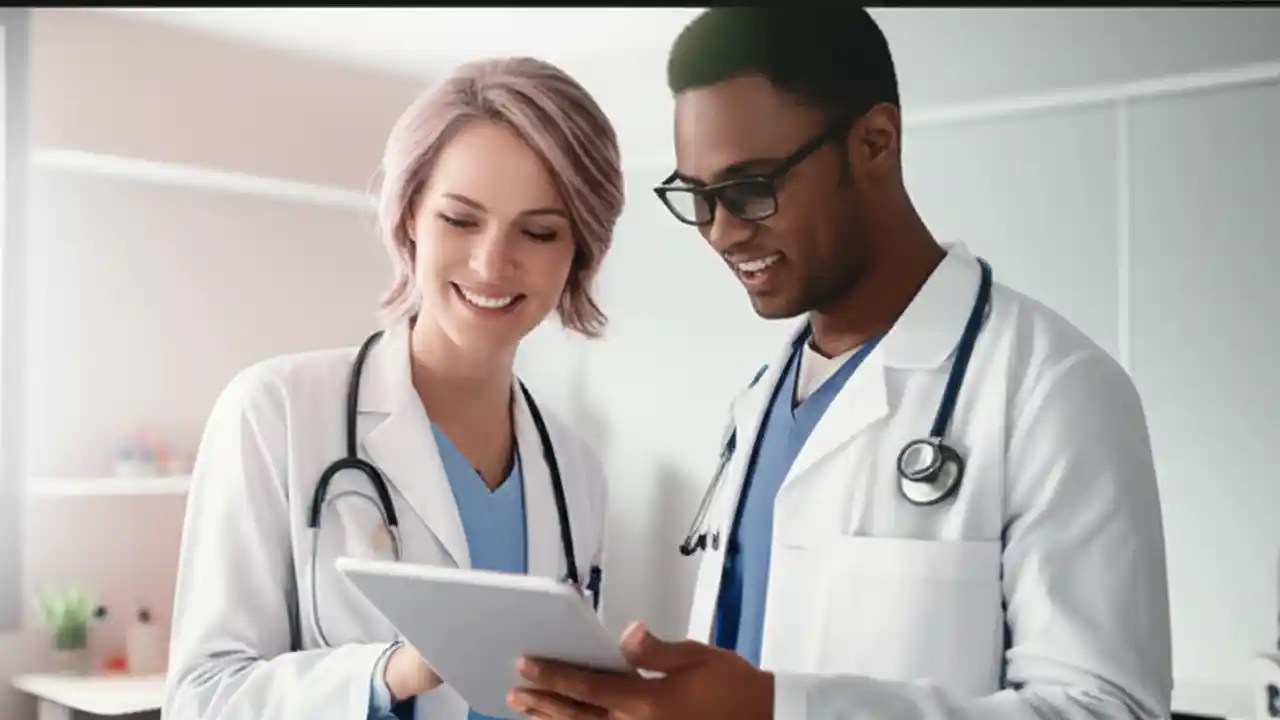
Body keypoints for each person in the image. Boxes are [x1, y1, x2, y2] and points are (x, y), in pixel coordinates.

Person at [508, 7, 1172, 720]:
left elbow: (1107, 710)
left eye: (751, 187)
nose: (723, 232)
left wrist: (773, 709)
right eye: (698, 199)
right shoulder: (761, 403)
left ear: (874, 143)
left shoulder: (1052, 392)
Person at [163, 56, 625, 720]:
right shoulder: (275, 413)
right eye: (460, 220)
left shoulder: (574, 469)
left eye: (539, 231)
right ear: (409, 216)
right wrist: (391, 672)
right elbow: (200, 700)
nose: (492, 263)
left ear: (578, 250)